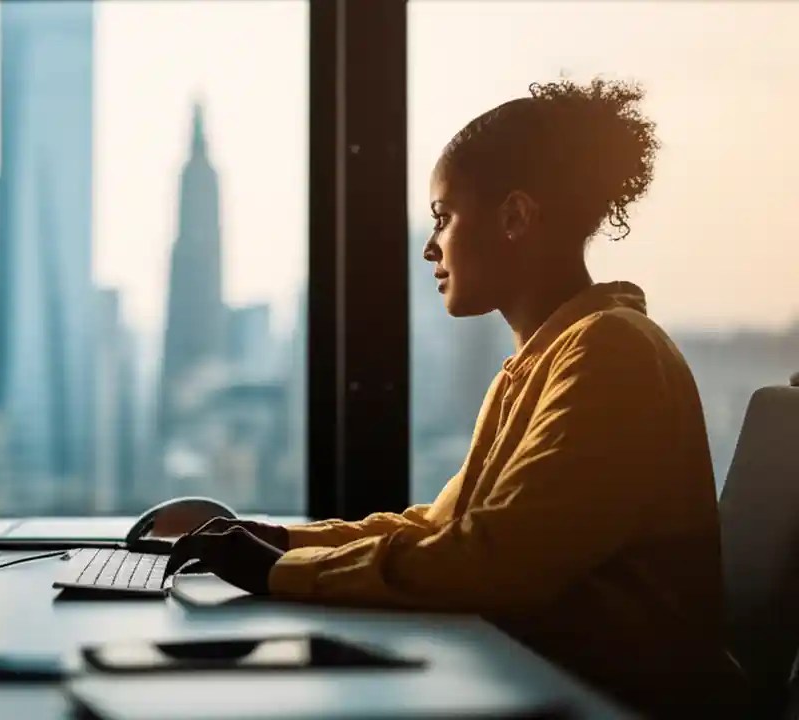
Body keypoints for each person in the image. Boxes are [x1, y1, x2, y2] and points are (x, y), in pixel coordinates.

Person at [163, 77, 748, 717]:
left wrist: (277, 573)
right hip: (549, 683)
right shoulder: (543, 361)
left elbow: (491, 559)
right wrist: (283, 540)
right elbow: (445, 527)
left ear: (515, 217)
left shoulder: (610, 355)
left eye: (444, 217)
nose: (429, 246)